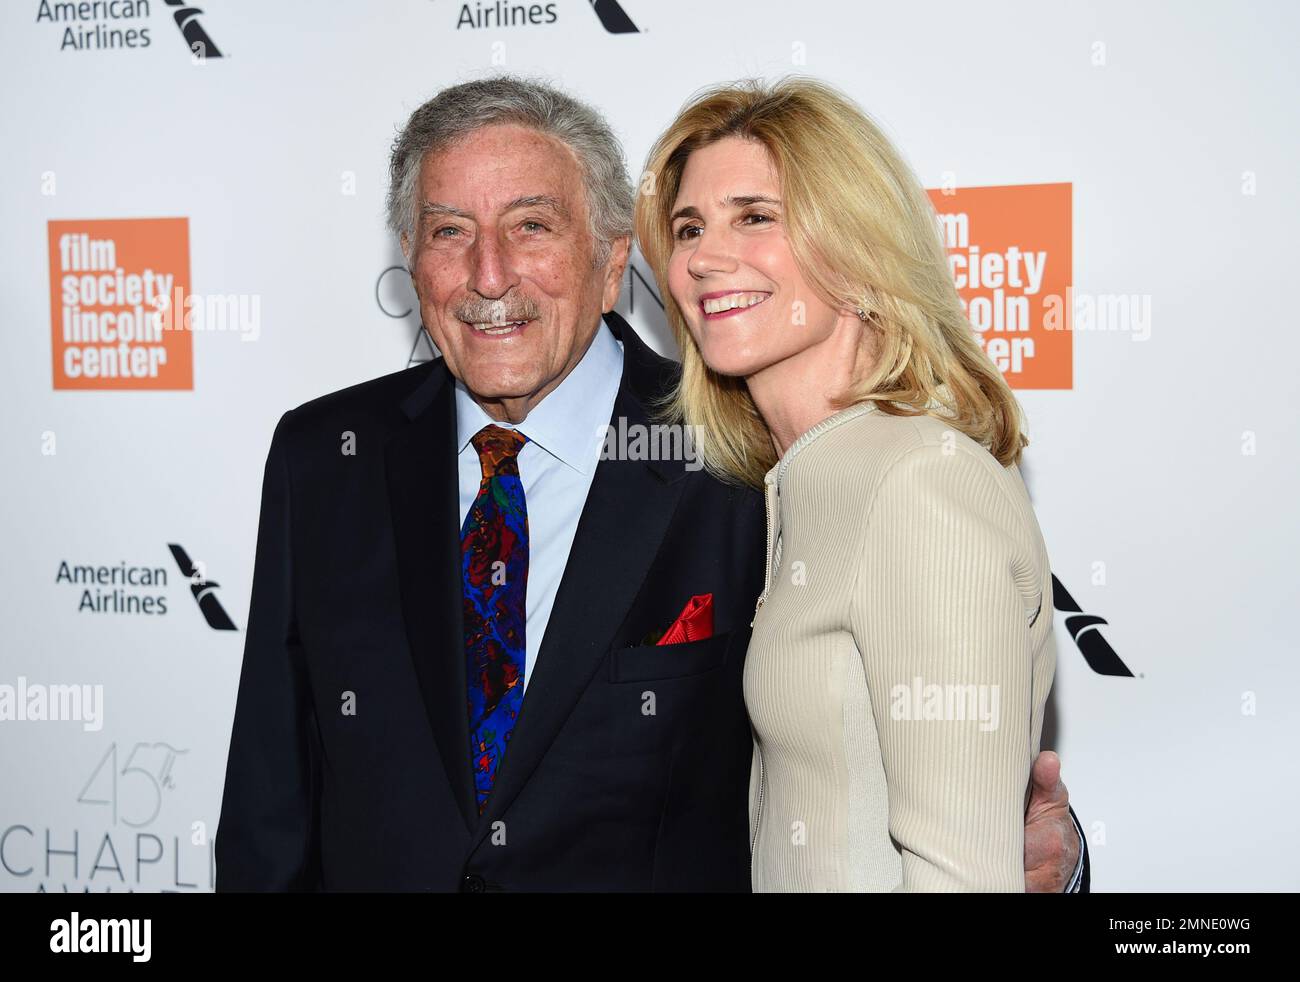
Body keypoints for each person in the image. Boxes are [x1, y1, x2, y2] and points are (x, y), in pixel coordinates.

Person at [215, 75, 1086, 892]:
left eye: (531, 226)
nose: (488, 275)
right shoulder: (324, 456)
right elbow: (269, 801)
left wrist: (1043, 853)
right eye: (448, 231)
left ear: (612, 259)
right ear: (411, 261)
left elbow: (874, 749)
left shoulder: (743, 461)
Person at [635, 76, 1069, 891]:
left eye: (755, 216)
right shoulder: (803, 483)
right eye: (689, 227)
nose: (701, 257)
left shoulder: (918, 486)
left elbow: (962, 879)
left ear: (858, 244)